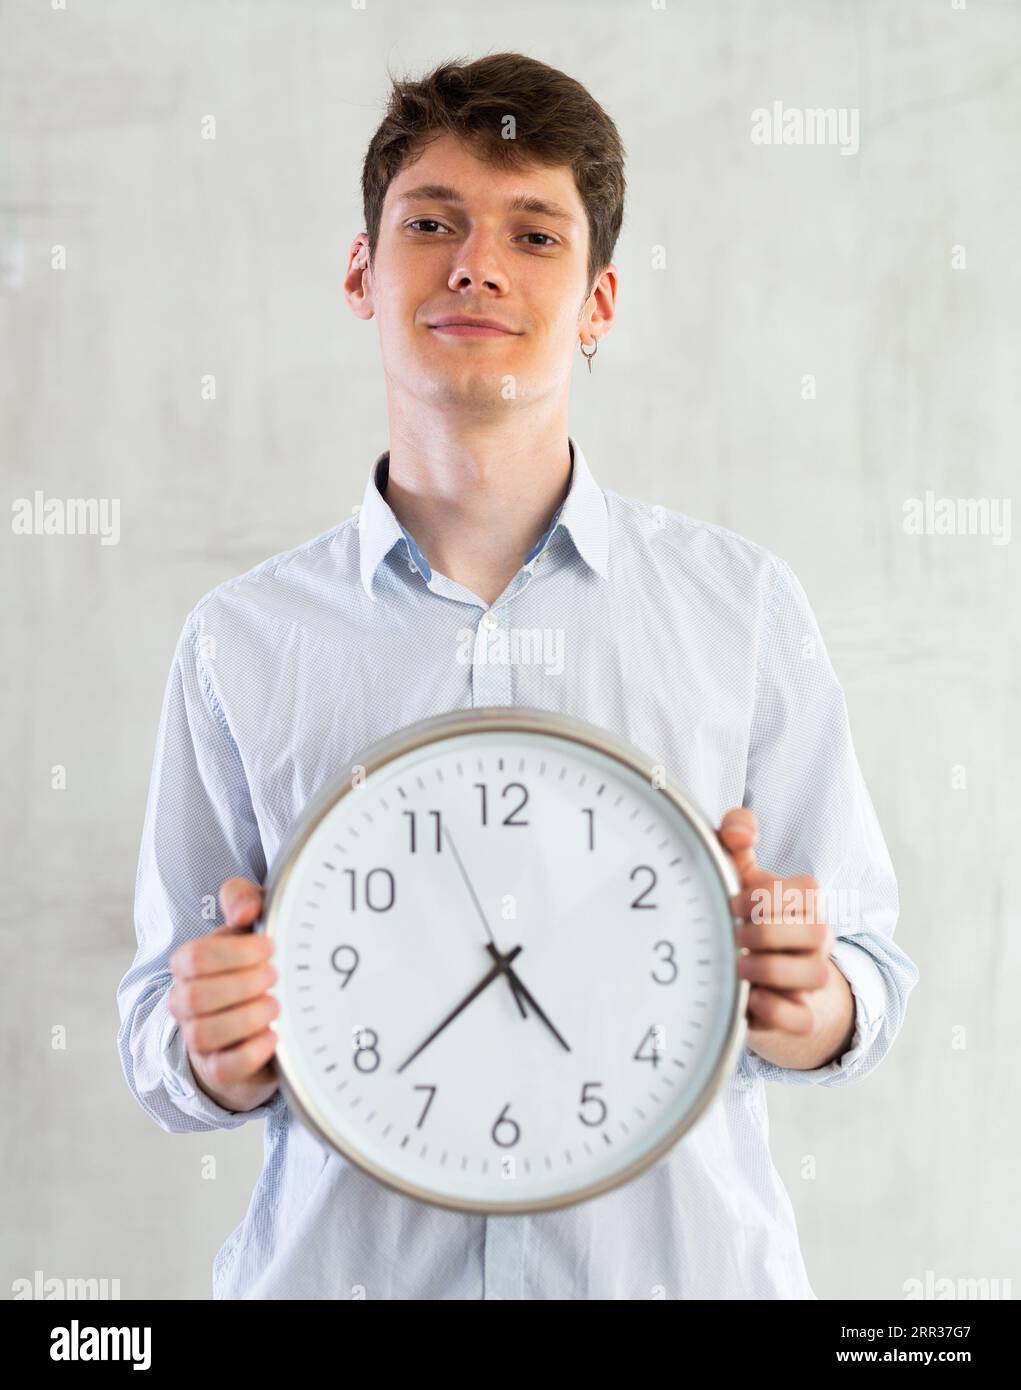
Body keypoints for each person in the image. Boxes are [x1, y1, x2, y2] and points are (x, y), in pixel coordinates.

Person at [116, 52, 919, 1300]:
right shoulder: (242, 637)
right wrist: (207, 1047)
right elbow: (154, 1027)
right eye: (431, 223)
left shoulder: (741, 609)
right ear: (360, 274)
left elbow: (870, 969)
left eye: (533, 234)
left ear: (598, 303)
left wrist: (811, 1002)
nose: (476, 264)